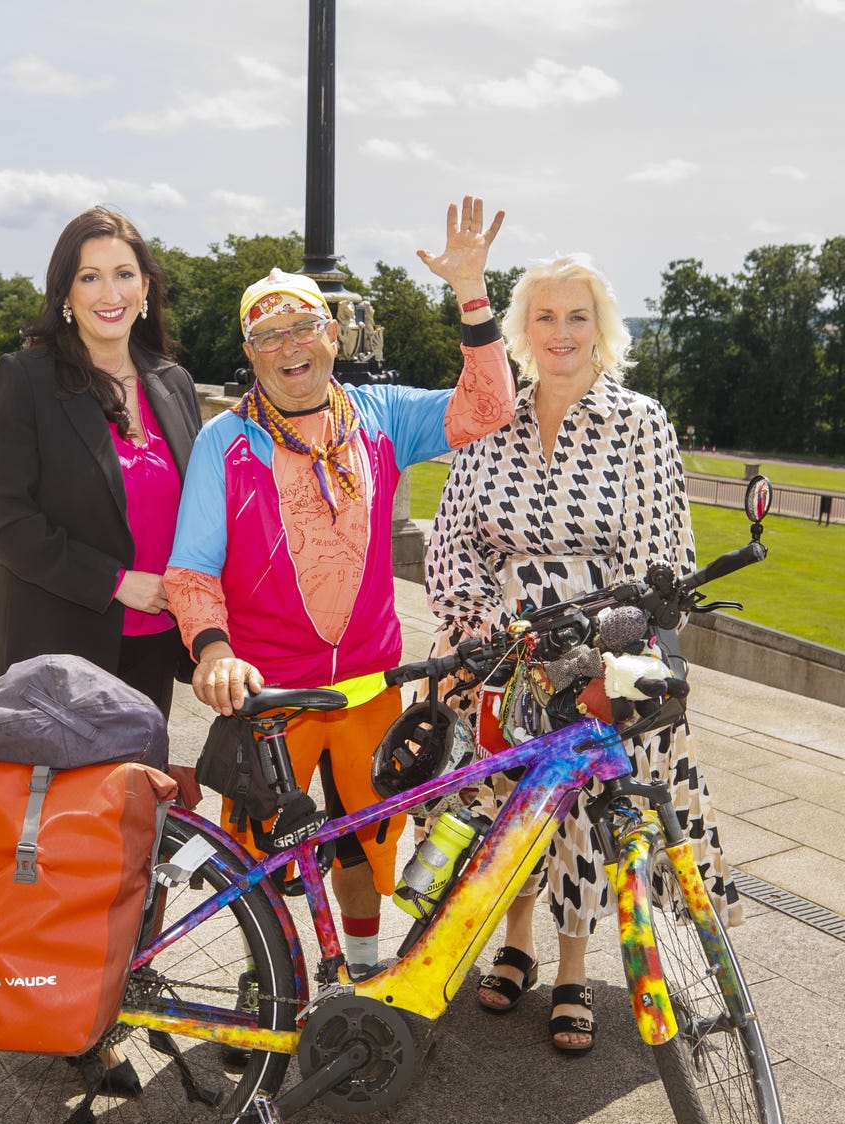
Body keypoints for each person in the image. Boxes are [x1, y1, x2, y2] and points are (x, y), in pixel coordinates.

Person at [164, 196, 517, 980]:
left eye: (304, 327)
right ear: (251, 355)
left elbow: (491, 405)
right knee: (260, 858)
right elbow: (189, 574)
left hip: (369, 684)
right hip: (273, 693)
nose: (290, 347)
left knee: (367, 841)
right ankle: (269, 985)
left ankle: (363, 977)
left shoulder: (382, 414)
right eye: (268, 336)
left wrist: (470, 291)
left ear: (333, 334)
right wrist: (214, 650)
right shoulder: (226, 442)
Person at [424, 252, 737, 1054]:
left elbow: (659, 550)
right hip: (500, 644)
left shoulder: (640, 421)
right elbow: (455, 536)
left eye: (577, 316)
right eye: (544, 317)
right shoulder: (493, 417)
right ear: (523, 332)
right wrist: (472, 629)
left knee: (585, 812)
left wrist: (610, 650)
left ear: (601, 328)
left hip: (601, 644)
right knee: (503, 802)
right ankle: (516, 944)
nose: (561, 333)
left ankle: (572, 968)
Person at [0, 207, 202, 720]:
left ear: (146, 289)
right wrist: (117, 582)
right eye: (90, 277)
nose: (110, 294)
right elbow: (10, 525)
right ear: (65, 294)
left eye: (124, 275)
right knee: (63, 799)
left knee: (138, 790)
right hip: (59, 642)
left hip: (155, 637)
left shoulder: (174, 382)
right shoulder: (27, 379)